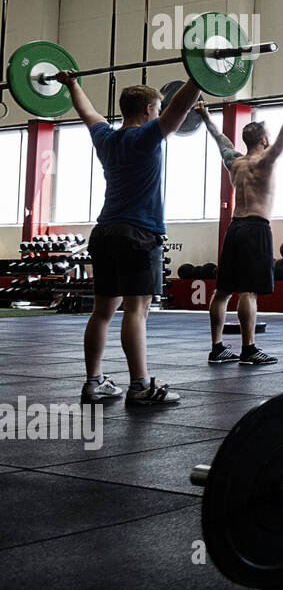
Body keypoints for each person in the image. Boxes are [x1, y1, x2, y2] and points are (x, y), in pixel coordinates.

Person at [57, 72, 202, 406]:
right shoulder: (147, 137)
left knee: (103, 312)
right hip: (139, 233)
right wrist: (196, 79)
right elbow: (178, 110)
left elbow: (87, 112)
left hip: (105, 232)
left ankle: (94, 382)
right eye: (158, 108)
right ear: (150, 108)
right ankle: (140, 386)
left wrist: (72, 85)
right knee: (137, 310)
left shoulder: (107, 138)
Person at [196, 94, 283, 365]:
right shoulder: (264, 161)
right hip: (256, 228)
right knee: (248, 291)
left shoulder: (235, 162)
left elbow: (220, 141)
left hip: (235, 228)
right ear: (264, 141)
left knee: (222, 291)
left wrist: (206, 117)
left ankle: (217, 348)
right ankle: (248, 349)